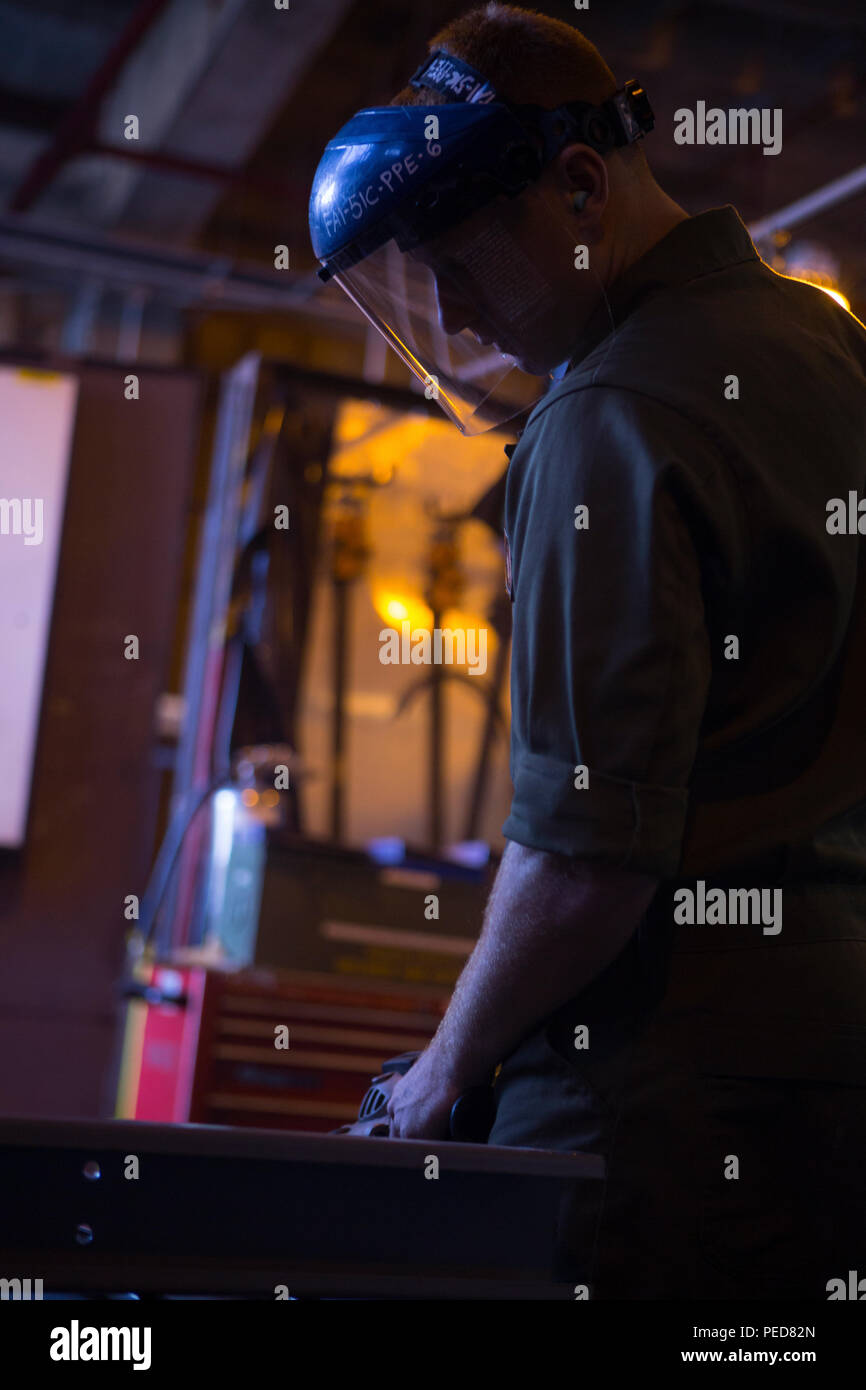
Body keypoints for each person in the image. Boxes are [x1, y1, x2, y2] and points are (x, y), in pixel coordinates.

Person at [309, 4, 866, 1297]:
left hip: (651, 1101)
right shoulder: (831, 351)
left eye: (460, 264)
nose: (449, 319)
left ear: (574, 187)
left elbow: (584, 861)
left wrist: (441, 1072)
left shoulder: (607, 411)